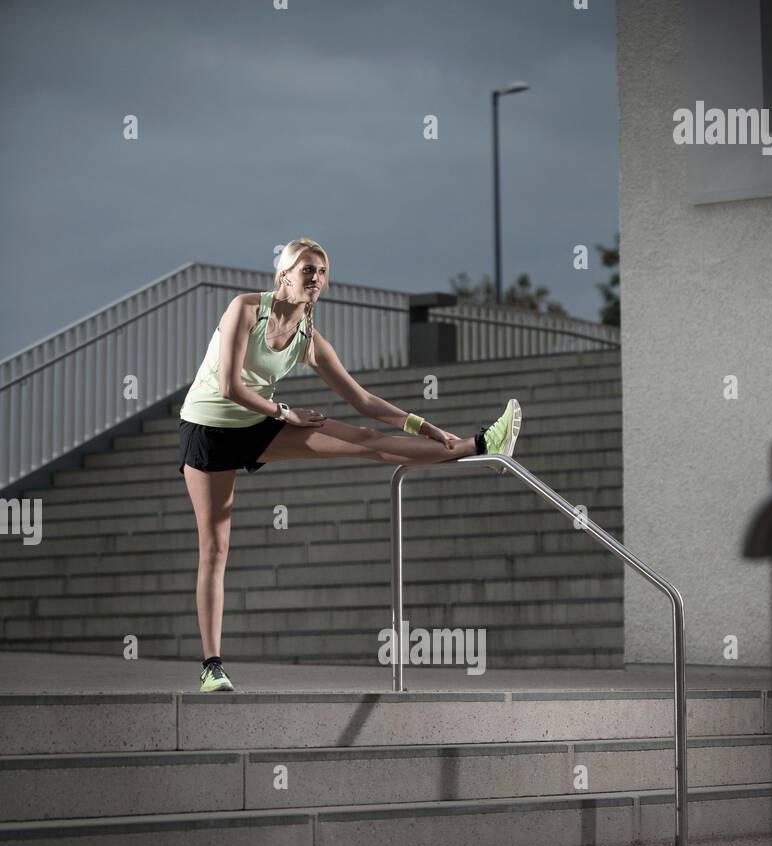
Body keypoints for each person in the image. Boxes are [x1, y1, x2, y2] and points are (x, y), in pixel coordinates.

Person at [178, 237, 522, 691]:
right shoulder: (245, 309)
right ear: (284, 274)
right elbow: (227, 387)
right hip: (207, 428)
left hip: (260, 421)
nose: (316, 277)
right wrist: (286, 413)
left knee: (366, 440)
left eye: (322, 271)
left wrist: (425, 426)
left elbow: (363, 401)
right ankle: (212, 666)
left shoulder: (309, 339)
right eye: (307, 268)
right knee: (215, 548)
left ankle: (478, 446)